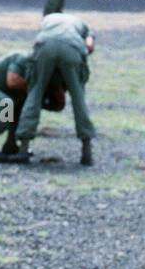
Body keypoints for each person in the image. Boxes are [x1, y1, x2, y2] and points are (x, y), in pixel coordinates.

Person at [13, 12, 96, 166]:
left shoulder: (48, 20)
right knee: (79, 99)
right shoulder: (82, 25)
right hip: (72, 48)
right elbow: (89, 46)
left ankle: (23, 148)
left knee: (34, 94)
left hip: (45, 46)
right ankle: (86, 151)